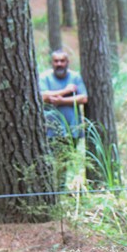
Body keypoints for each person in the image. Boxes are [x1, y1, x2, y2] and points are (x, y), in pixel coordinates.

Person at [38, 50, 88, 189]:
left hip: (72, 128)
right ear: (52, 63)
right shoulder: (44, 77)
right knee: (50, 161)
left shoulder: (75, 77)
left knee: (65, 162)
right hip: (50, 129)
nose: (59, 64)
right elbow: (43, 97)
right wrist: (65, 91)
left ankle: (60, 189)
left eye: (62, 61)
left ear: (67, 62)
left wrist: (61, 101)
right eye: (56, 61)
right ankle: (48, 189)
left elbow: (83, 98)